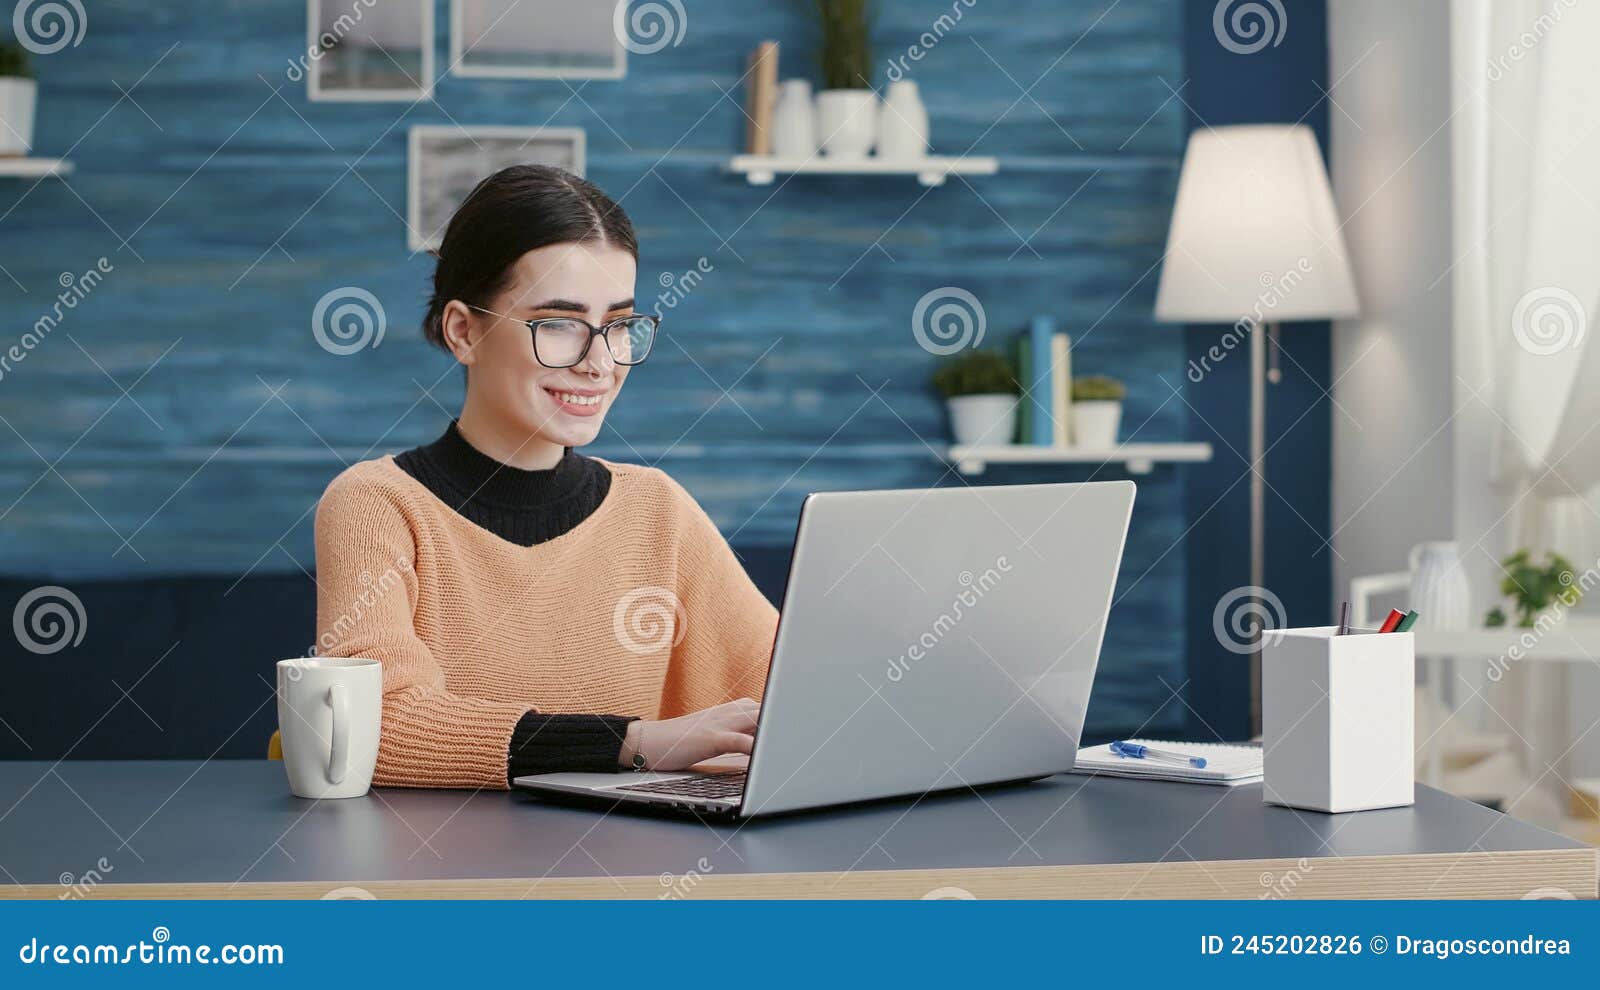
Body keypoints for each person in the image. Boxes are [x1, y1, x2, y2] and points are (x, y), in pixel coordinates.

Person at [313, 165, 777, 789]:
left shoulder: (657, 510)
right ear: (463, 331)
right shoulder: (376, 505)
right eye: (558, 324)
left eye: (619, 325)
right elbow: (372, 724)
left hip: (627, 852)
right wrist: (635, 743)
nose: (600, 363)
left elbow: (791, 686)